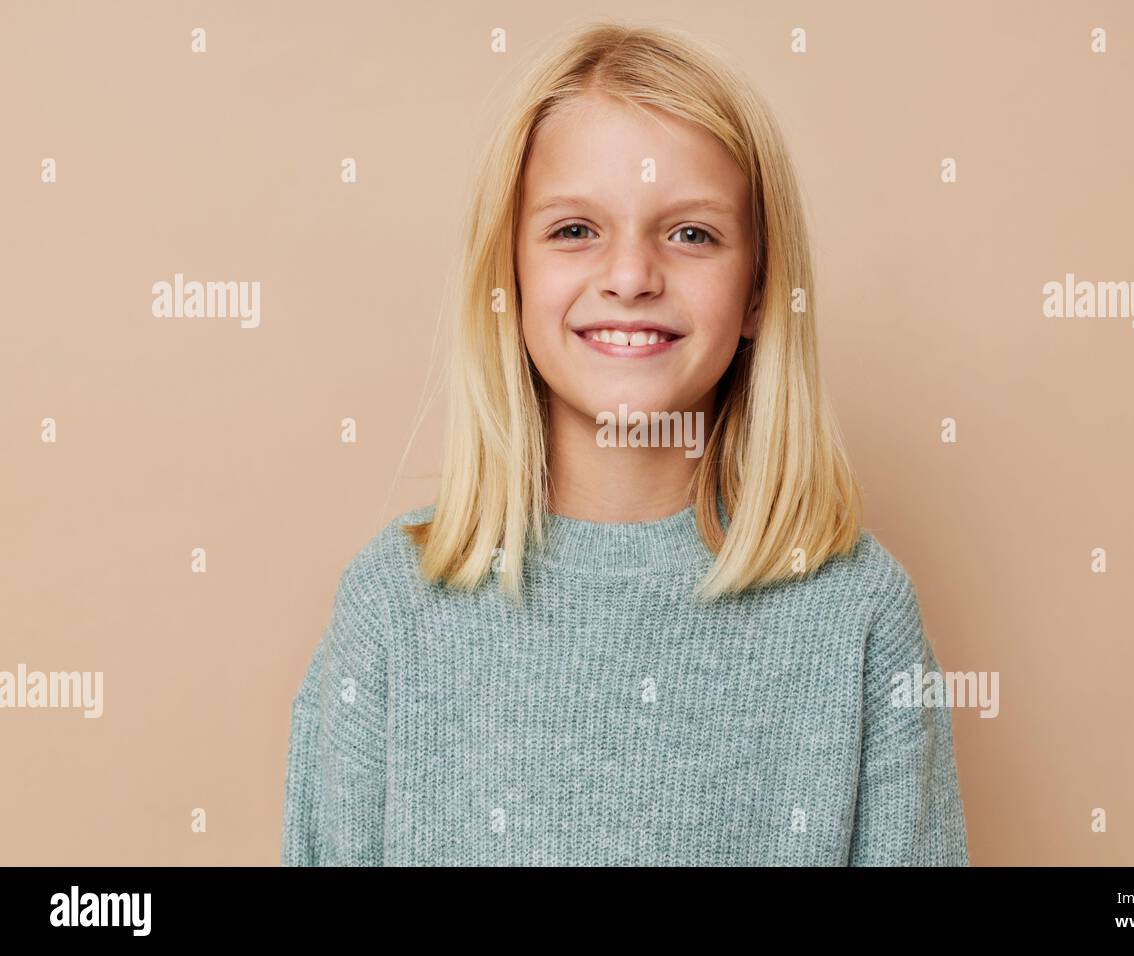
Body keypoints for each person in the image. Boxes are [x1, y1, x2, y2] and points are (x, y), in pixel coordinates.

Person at [280, 20, 969, 866]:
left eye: (691, 234)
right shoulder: (392, 608)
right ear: (511, 279)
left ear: (758, 294)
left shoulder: (859, 615)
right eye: (575, 230)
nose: (632, 275)